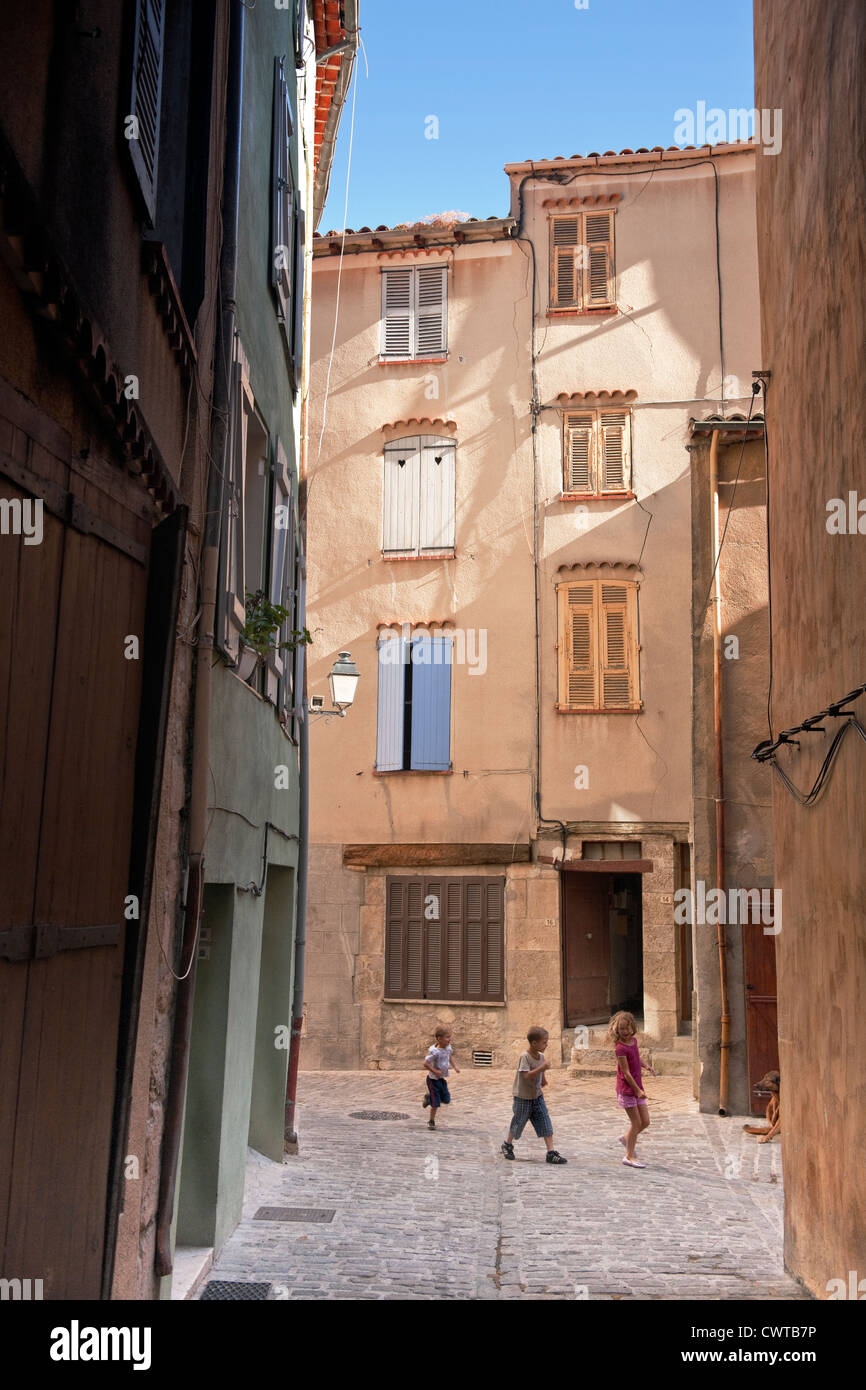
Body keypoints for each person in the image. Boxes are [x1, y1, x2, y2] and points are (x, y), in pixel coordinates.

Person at [501, 1026, 567, 1163]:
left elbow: (541, 1073)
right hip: (523, 1097)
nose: (546, 1044)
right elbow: (526, 1076)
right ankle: (507, 1145)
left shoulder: (541, 1056)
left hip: (537, 1096)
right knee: (518, 1122)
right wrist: (541, 1068)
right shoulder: (524, 1057)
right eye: (544, 1042)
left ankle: (551, 1152)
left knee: (545, 1121)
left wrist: (543, 1079)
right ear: (534, 1043)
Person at [608, 1010, 655, 1168]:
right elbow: (626, 1073)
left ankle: (626, 1138)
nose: (625, 1032)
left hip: (637, 1088)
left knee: (645, 1121)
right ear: (617, 1030)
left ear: (632, 1027)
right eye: (622, 1029)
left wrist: (646, 1065)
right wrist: (638, 1091)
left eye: (627, 1028)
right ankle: (629, 1156)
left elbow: (636, 1057)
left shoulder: (633, 1042)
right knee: (636, 1123)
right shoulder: (620, 1048)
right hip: (628, 1090)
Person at [422, 1025, 460, 1130]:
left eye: (450, 1037)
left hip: (441, 1079)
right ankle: (431, 1121)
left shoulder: (447, 1048)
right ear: (439, 1038)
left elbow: (449, 1056)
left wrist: (455, 1067)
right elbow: (425, 1063)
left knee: (447, 1100)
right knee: (436, 1104)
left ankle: (429, 1098)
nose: (449, 1039)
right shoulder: (434, 1052)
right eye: (447, 1037)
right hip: (432, 1080)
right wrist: (435, 1071)